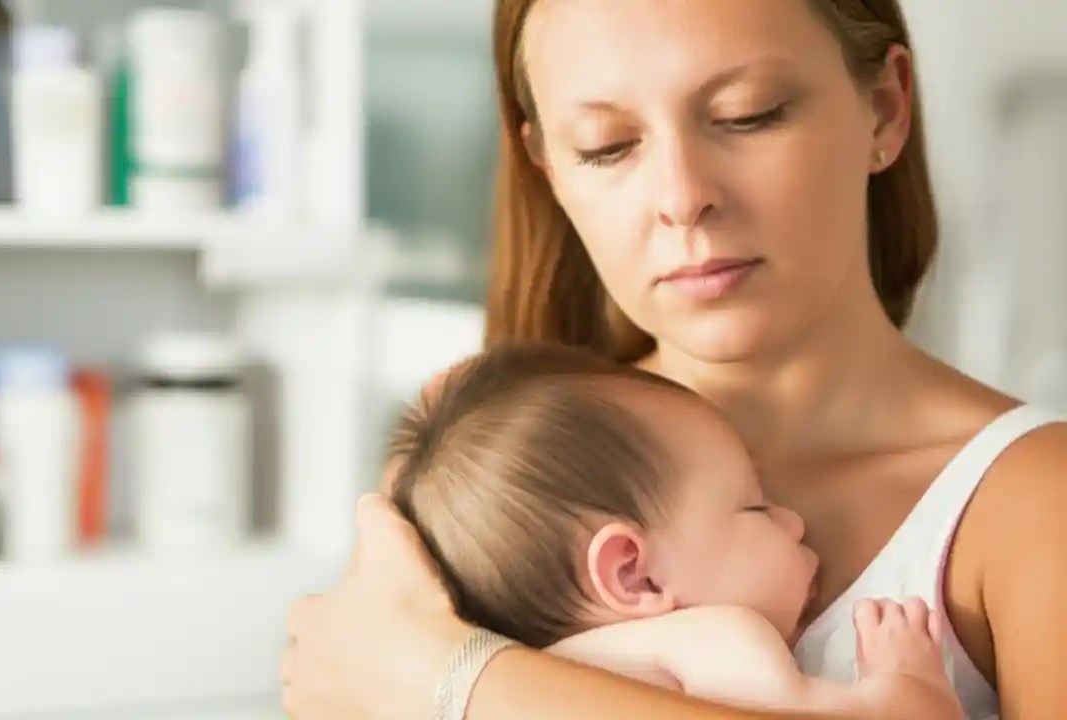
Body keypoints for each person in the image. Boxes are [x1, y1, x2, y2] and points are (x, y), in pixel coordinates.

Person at [281, 0, 1067, 717]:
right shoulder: (491, 467)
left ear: (884, 110)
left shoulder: (1033, 501)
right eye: (607, 146)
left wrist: (460, 681)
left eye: (748, 115)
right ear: (547, 168)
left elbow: (395, 676)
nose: (683, 195)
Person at [388, 342, 962, 717]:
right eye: (755, 508)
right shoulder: (711, 638)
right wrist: (910, 683)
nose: (795, 521)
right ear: (634, 574)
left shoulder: (545, 673)